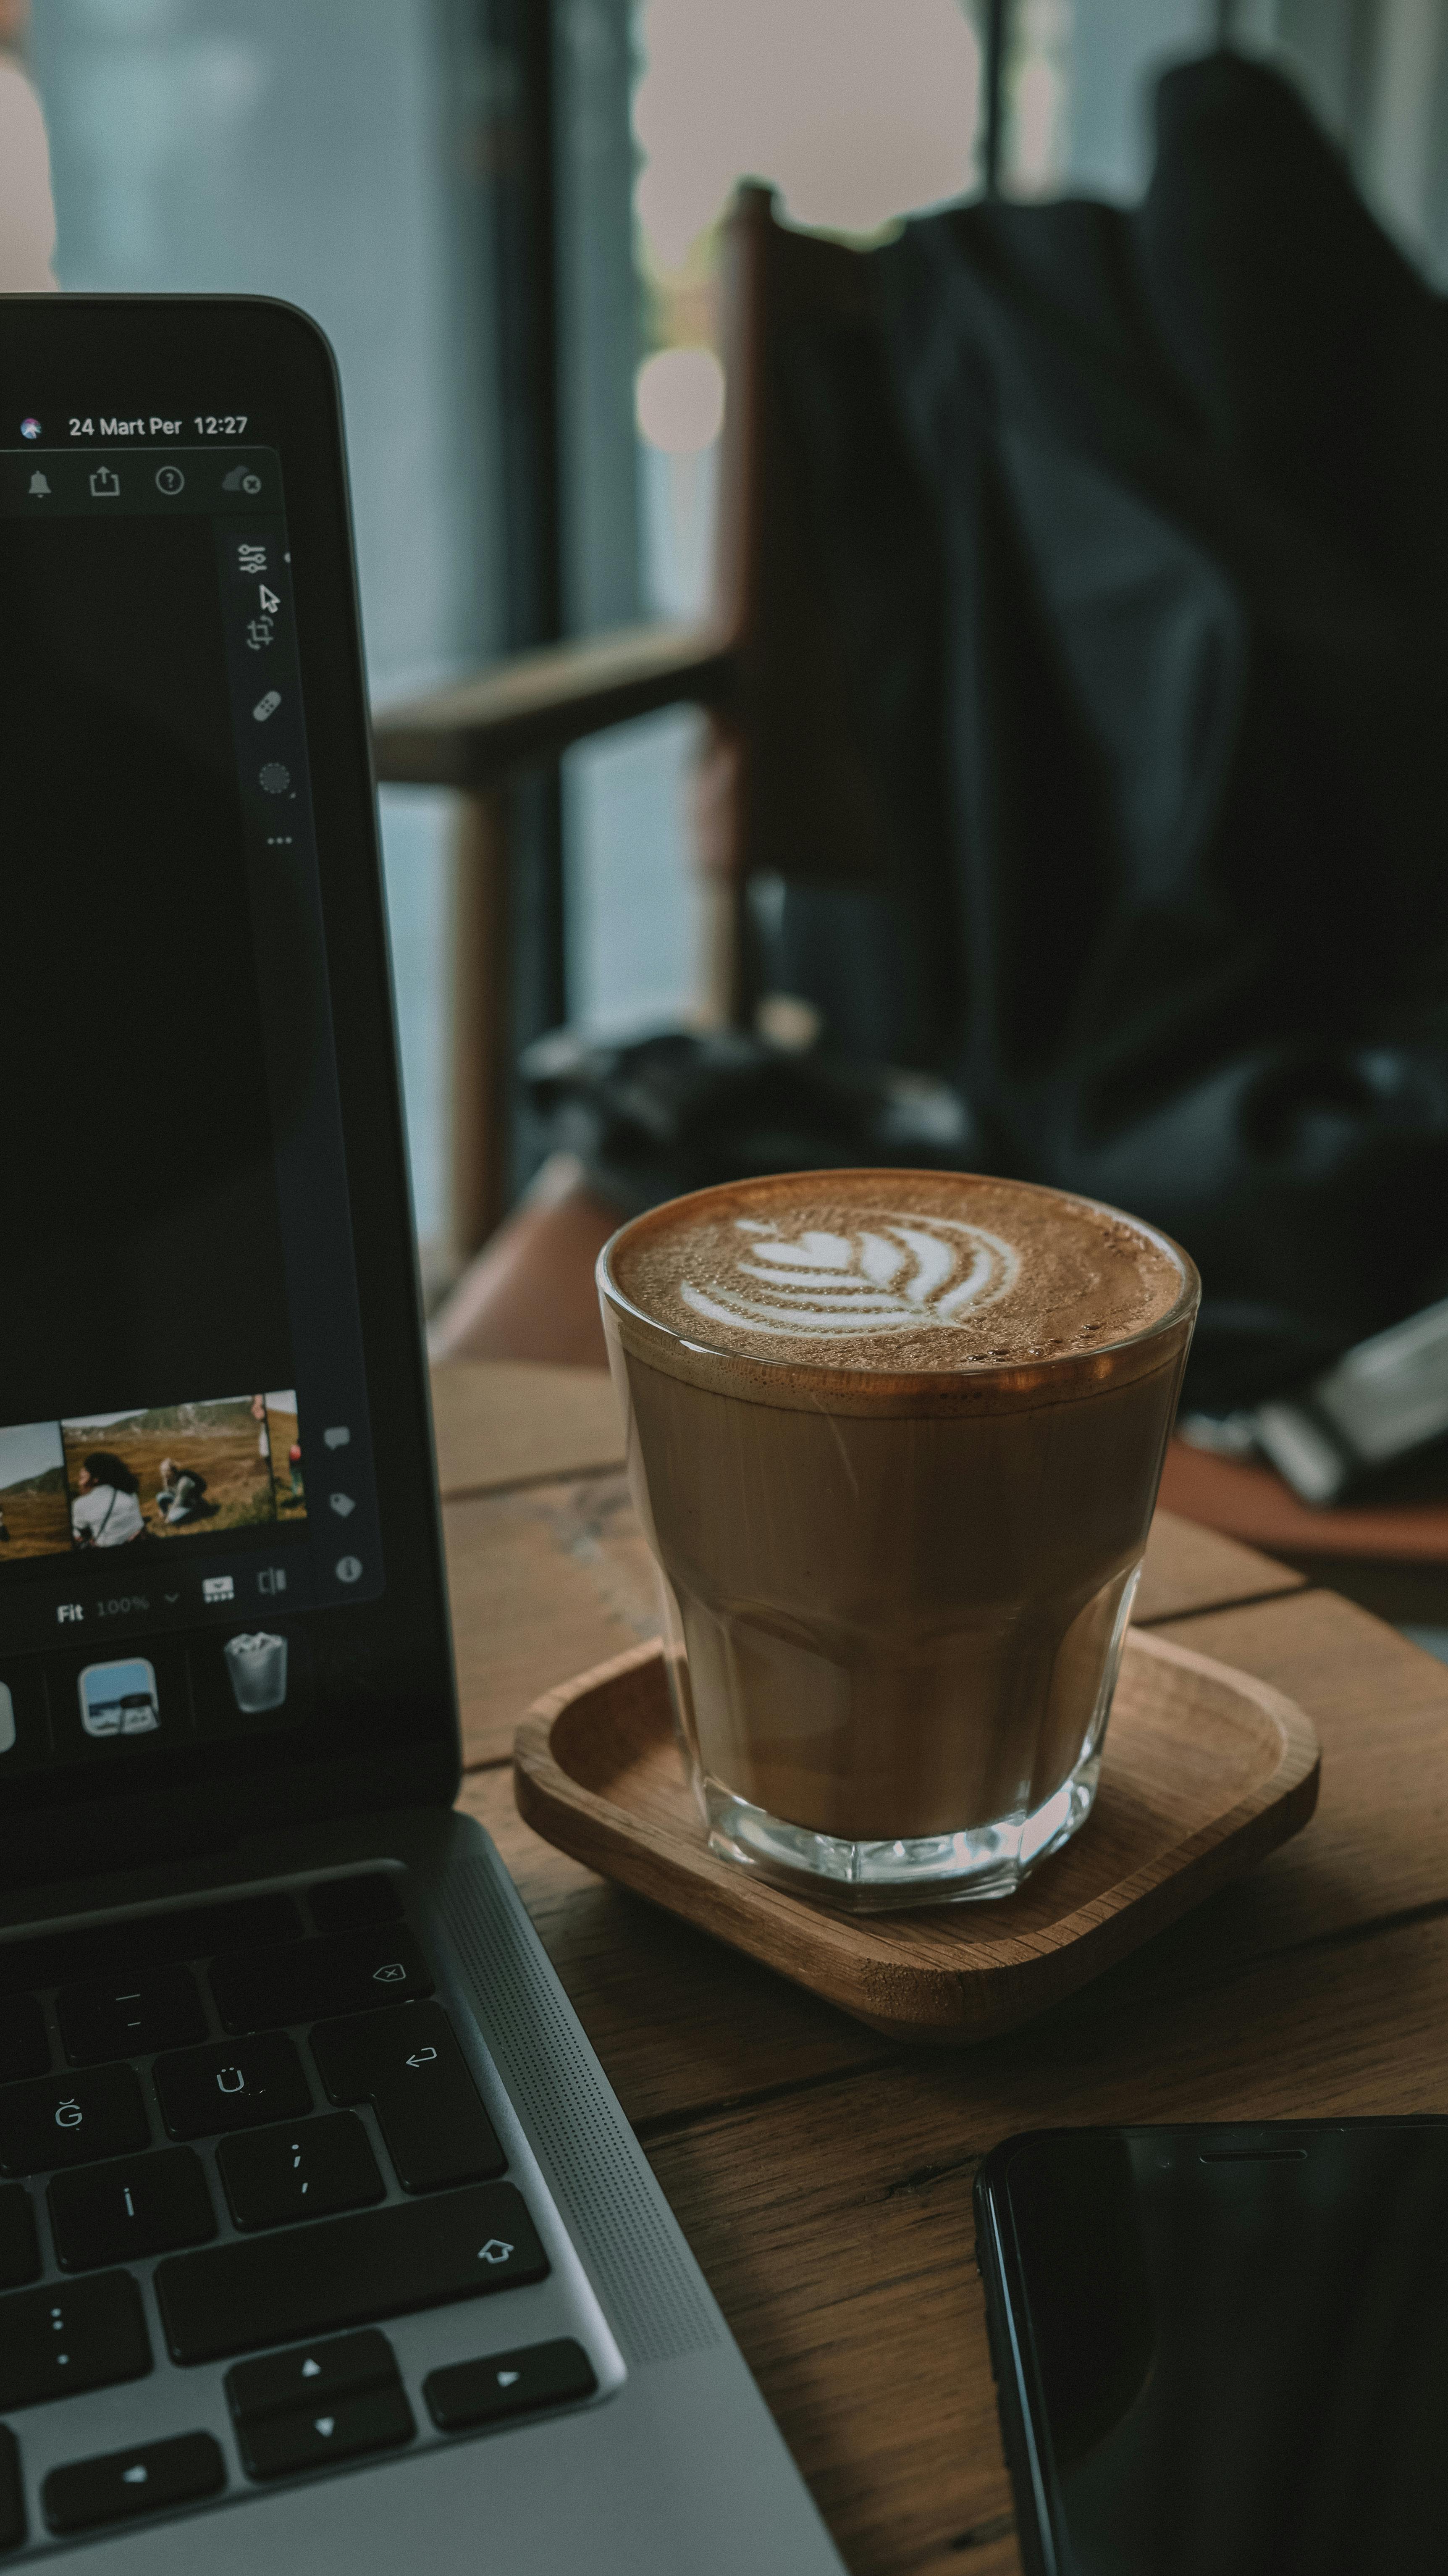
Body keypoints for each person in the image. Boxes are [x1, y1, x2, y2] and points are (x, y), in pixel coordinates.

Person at [71, 1452, 144, 1547]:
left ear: (96, 1478)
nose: (81, 1471)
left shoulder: (80, 1504)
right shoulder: (130, 1493)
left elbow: (79, 1534)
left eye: (86, 1469)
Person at [155, 1457, 208, 1526]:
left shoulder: (184, 1482)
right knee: (160, 1496)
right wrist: (163, 1510)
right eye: (162, 1471)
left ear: (173, 1471)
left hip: (192, 1503)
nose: (164, 1474)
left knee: (172, 1517)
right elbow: (168, 1493)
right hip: (183, 1500)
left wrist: (169, 1515)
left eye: (166, 1471)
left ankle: (197, 1512)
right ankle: (166, 1515)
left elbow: (179, 1501)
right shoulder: (168, 1479)